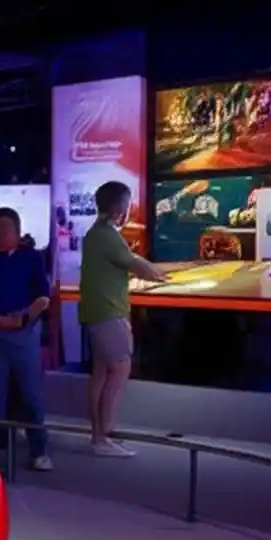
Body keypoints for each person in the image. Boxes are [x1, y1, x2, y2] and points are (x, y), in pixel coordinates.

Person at [79, 181, 167, 457]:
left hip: (98, 314)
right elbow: (135, 264)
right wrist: (159, 275)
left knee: (102, 372)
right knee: (119, 368)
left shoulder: (97, 234)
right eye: (127, 203)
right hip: (109, 314)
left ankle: (99, 437)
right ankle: (104, 436)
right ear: (119, 205)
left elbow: (128, 259)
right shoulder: (106, 234)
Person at [0, 208, 52, 471]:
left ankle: (38, 449)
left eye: (6, 228)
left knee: (30, 394)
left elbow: (43, 297)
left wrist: (21, 321)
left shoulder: (31, 257)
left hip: (24, 334)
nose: (0, 233)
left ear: (18, 231)